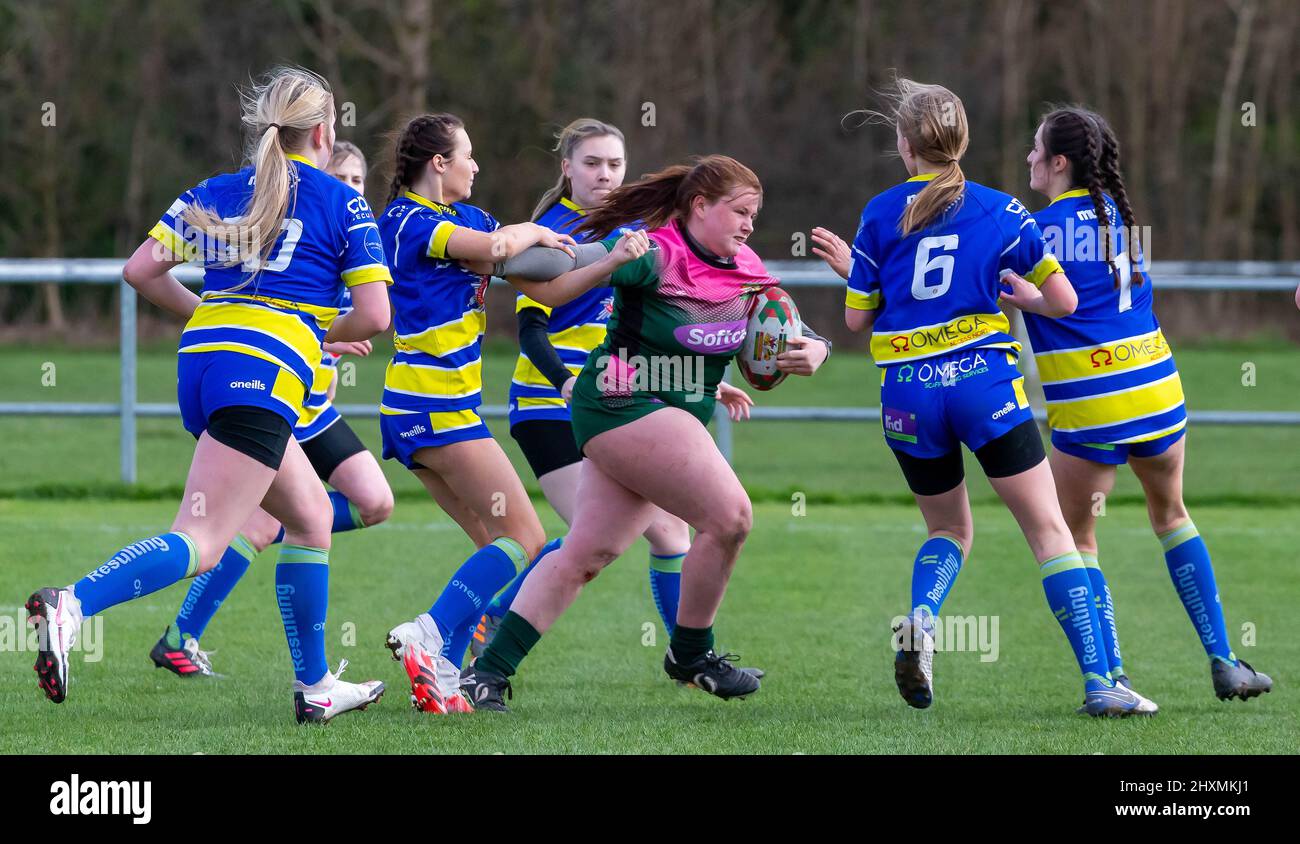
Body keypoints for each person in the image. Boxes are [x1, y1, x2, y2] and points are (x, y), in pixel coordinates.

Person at [25, 66, 392, 723]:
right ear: (326, 130)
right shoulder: (344, 200)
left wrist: (213, 316)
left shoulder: (218, 190)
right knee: (202, 541)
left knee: (308, 517)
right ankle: (71, 603)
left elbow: (140, 271)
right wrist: (307, 331)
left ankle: (314, 688)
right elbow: (375, 316)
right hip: (266, 371)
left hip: (201, 365)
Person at [812, 78, 1155, 716]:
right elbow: (1064, 301)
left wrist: (862, 272)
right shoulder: (1004, 210)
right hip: (984, 388)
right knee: (1052, 532)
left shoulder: (880, 212)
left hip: (908, 397)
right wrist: (1016, 295)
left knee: (947, 529)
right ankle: (1102, 684)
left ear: (904, 144)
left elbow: (859, 322)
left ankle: (920, 619)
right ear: (961, 141)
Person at [461, 154, 831, 712]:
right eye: (740, 211)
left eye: (755, 214)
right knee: (730, 517)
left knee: (590, 552)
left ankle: (487, 672)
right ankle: (690, 654)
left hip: (660, 417)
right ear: (700, 206)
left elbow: (788, 324)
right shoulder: (654, 252)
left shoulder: (745, 263)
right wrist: (494, 256)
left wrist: (817, 348)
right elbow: (549, 279)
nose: (750, 224)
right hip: (618, 401)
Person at [1019, 106, 1271, 701]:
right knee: (1173, 515)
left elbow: (1039, 300)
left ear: (1059, 162)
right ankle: (1225, 661)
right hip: (1158, 386)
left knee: (1075, 538)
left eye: (1036, 149)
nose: (1028, 158)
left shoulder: (1032, 231)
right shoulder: (1123, 219)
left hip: (1090, 395)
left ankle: (1109, 678)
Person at [475, 119, 746, 668]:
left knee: (664, 535)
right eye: (593, 163)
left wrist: (699, 382)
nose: (604, 174)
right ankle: (490, 618)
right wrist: (566, 380)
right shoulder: (550, 231)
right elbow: (529, 329)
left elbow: (669, 321)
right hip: (549, 406)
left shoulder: (638, 230)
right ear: (567, 168)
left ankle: (687, 658)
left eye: (615, 164)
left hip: (622, 399)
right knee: (595, 540)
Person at [149, 140, 395, 679]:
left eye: (359, 181)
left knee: (374, 501)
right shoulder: (310, 211)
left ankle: (188, 631)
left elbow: (329, 313)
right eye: (343, 177)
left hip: (305, 404)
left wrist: (327, 334)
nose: (354, 190)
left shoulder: (341, 235)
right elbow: (287, 309)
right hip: (272, 395)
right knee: (258, 526)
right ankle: (185, 634)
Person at [375, 113, 576, 714]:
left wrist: (608, 263)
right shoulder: (410, 219)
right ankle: (426, 635)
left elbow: (531, 273)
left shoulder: (472, 218)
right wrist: (535, 233)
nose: (476, 165)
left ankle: (441, 675)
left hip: (429, 408)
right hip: (433, 402)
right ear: (438, 164)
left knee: (492, 546)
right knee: (527, 537)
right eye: (467, 155)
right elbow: (496, 249)